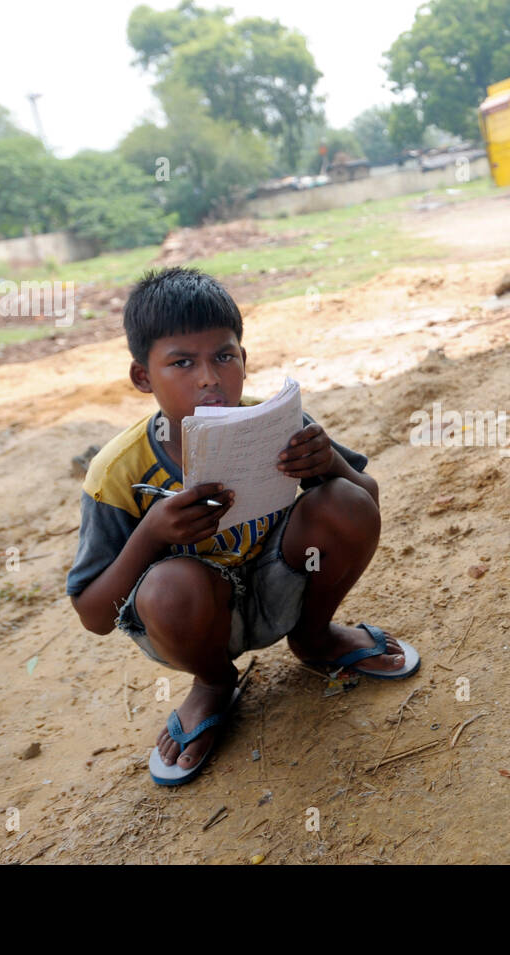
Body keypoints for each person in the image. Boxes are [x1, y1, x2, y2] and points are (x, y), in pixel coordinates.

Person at [66, 267, 418, 786]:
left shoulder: (277, 424)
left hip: (284, 586)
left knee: (341, 500)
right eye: (182, 362)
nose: (209, 378)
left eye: (223, 356)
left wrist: (328, 465)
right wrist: (152, 535)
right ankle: (213, 681)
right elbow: (93, 615)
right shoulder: (117, 474)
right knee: (169, 584)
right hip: (196, 619)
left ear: (244, 360)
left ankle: (315, 638)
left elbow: (365, 504)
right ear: (143, 377)